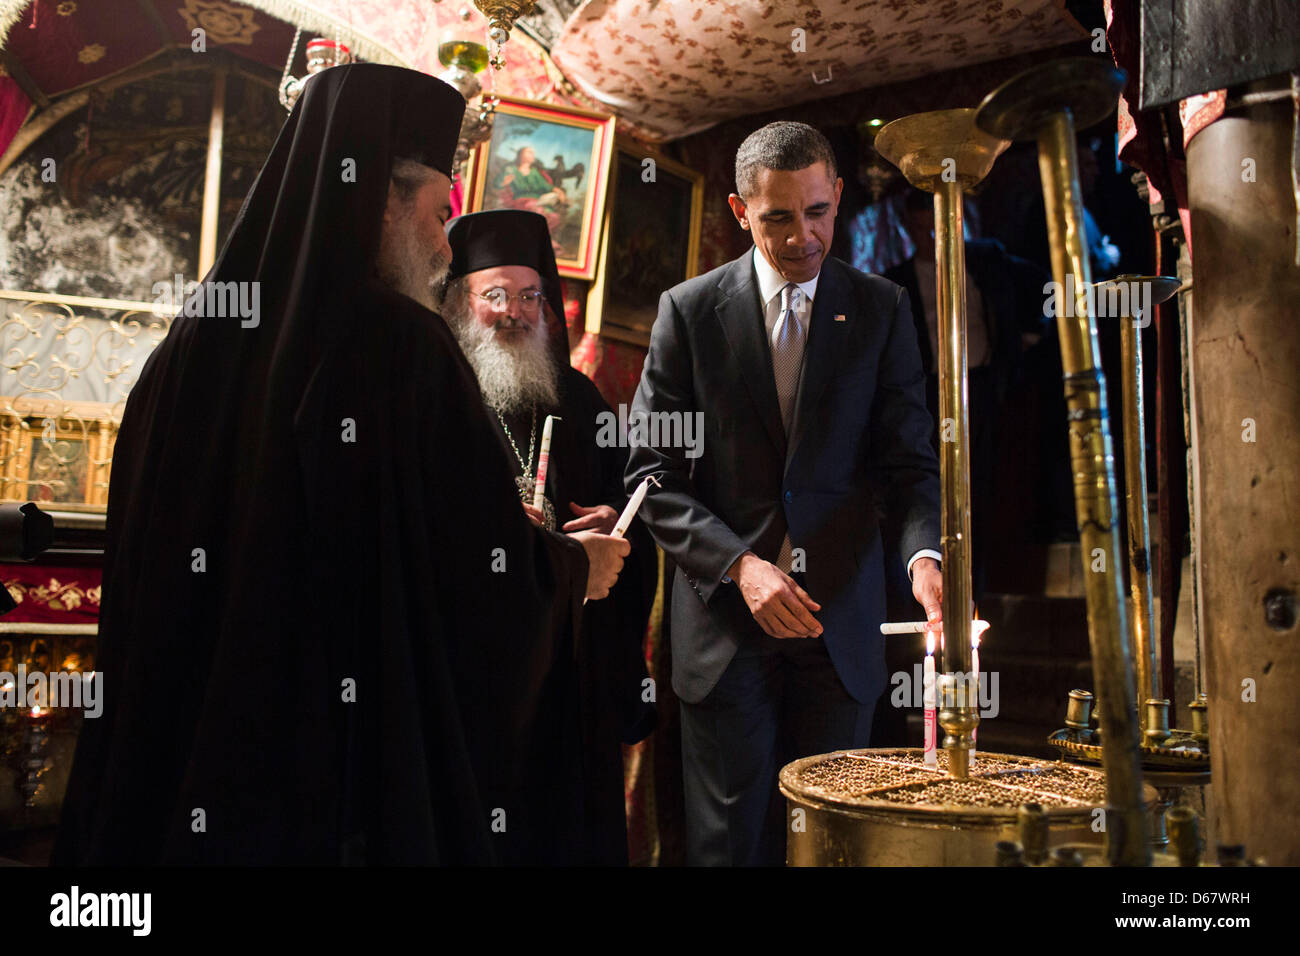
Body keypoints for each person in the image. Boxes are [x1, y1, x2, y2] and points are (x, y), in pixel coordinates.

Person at [52, 63, 629, 866]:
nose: (441, 245)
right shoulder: (395, 342)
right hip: (322, 771)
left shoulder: (188, 346)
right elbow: (461, 574)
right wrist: (571, 570)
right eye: (435, 214)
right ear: (377, 200)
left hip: (180, 761)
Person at [626, 121, 943, 866]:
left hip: (840, 627)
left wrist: (922, 555)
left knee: (828, 843)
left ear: (836, 196)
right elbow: (652, 475)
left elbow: (908, 466)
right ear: (740, 212)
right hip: (725, 630)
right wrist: (741, 566)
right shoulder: (687, 312)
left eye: (817, 212)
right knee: (731, 846)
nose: (802, 236)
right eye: (777, 217)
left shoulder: (883, 309)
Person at [440, 208, 657, 864]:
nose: (516, 312)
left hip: (570, 683)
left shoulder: (580, 399)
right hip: (474, 686)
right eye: (496, 296)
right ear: (457, 303)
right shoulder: (439, 400)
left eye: (532, 295)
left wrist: (614, 526)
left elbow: (634, 521)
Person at [884, 187, 1048, 599]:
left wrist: (1027, 336)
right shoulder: (894, 281)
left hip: (984, 388)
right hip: (927, 398)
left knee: (986, 483)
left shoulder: (984, 258)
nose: (929, 237)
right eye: (920, 228)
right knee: (932, 486)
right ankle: (938, 580)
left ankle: (989, 582)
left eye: (935, 228)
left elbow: (1038, 281)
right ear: (908, 227)